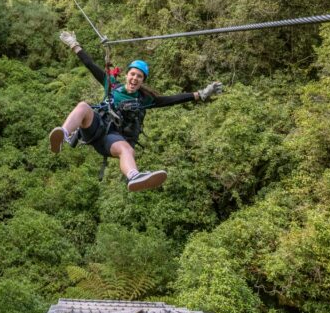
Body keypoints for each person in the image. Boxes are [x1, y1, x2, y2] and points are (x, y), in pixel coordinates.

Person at [50, 31, 224, 192]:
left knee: (126, 149)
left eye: (139, 76)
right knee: (83, 106)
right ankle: (63, 134)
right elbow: (90, 64)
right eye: (132, 74)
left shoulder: (145, 100)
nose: (134, 78)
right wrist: (74, 45)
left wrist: (200, 94)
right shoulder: (112, 84)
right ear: (127, 75)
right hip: (96, 127)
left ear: (142, 80)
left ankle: (134, 176)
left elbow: (172, 99)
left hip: (113, 139)